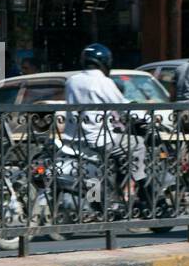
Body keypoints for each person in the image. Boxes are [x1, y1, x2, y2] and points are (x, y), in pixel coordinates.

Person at [63, 43, 148, 193]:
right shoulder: (103, 81)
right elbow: (121, 105)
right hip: (99, 139)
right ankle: (130, 189)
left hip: (73, 138)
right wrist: (144, 115)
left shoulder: (71, 80)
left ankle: (102, 194)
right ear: (105, 63)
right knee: (137, 144)